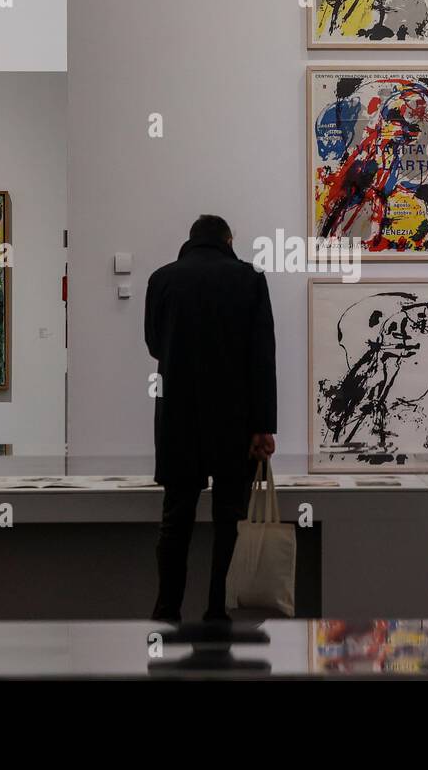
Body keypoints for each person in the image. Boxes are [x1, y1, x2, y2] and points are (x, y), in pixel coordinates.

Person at [145, 214, 277, 622]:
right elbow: (262, 357)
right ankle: (217, 608)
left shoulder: (162, 279)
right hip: (234, 418)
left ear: (191, 240)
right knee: (229, 518)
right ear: (228, 239)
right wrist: (263, 425)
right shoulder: (250, 278)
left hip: (179, 415)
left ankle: (167, 608)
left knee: (176, 517)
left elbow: (154, 345)